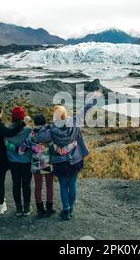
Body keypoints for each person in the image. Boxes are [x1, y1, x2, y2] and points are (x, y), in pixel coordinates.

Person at [37, 89, 102, 220]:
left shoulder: (52, 130)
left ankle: (66, 209)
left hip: (60, 162)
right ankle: (71, 209)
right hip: (75, 160)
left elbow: (40, 137)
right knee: (72, 184)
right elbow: (85, 109)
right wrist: (94, 98)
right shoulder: (74, 122)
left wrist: (46, 125)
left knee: (63, 185)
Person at [8, 113, 77, 218]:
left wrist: (10, 145)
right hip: (48, 162)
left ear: (35, 122)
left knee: (38, 187)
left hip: (36, 163)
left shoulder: (31, 134)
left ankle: (40, 210)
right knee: (49, 186)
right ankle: (49, 209)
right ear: (44, 122)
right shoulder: (48, 134)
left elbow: (21, 150)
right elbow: (56, 149)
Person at [4, 106, 33, 217]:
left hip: (13, 162)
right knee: (26, 184)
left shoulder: (8, 130)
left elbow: (6, 144)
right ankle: (26, 208)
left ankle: (18, 209)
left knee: (16, 184)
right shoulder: (28, 130)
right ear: (23, 117)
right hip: (26, 161)